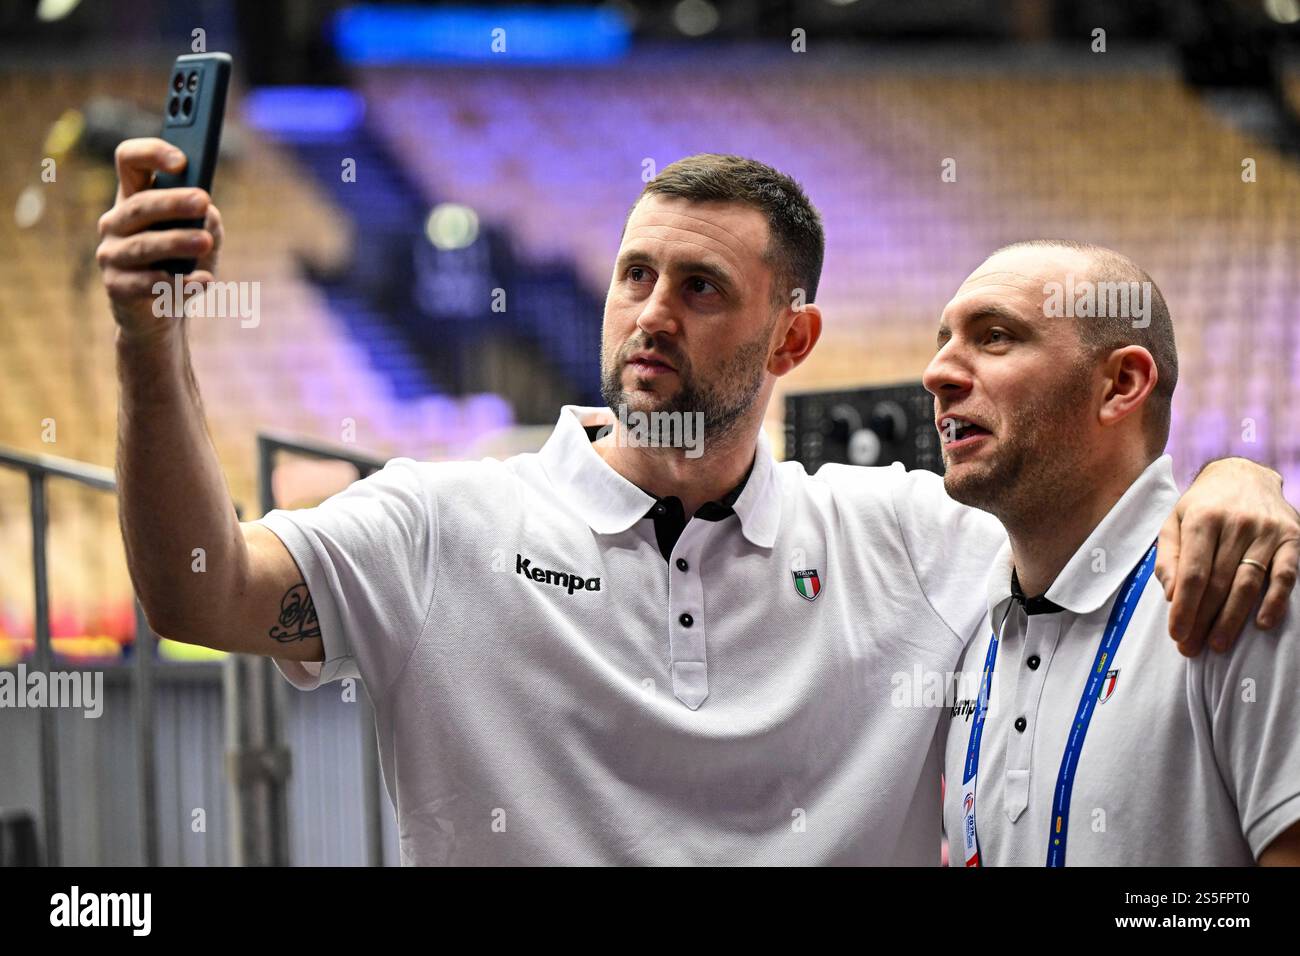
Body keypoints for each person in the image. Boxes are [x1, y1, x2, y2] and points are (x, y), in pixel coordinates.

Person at [99, 141, 1299, 864]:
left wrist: (1233, 480)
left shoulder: (918, 536)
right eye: (634, 274)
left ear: (795, 335)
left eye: (700, 285)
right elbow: (199, 594)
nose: (650, 310)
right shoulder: (435, 525)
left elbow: (1089, 510)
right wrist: (152, 358)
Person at [930, 241, 1300, 865]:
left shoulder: (1240, 583)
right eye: (943, 339)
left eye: (994, 337)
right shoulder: (962, 614)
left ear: (1121, 385)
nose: (936, 372)